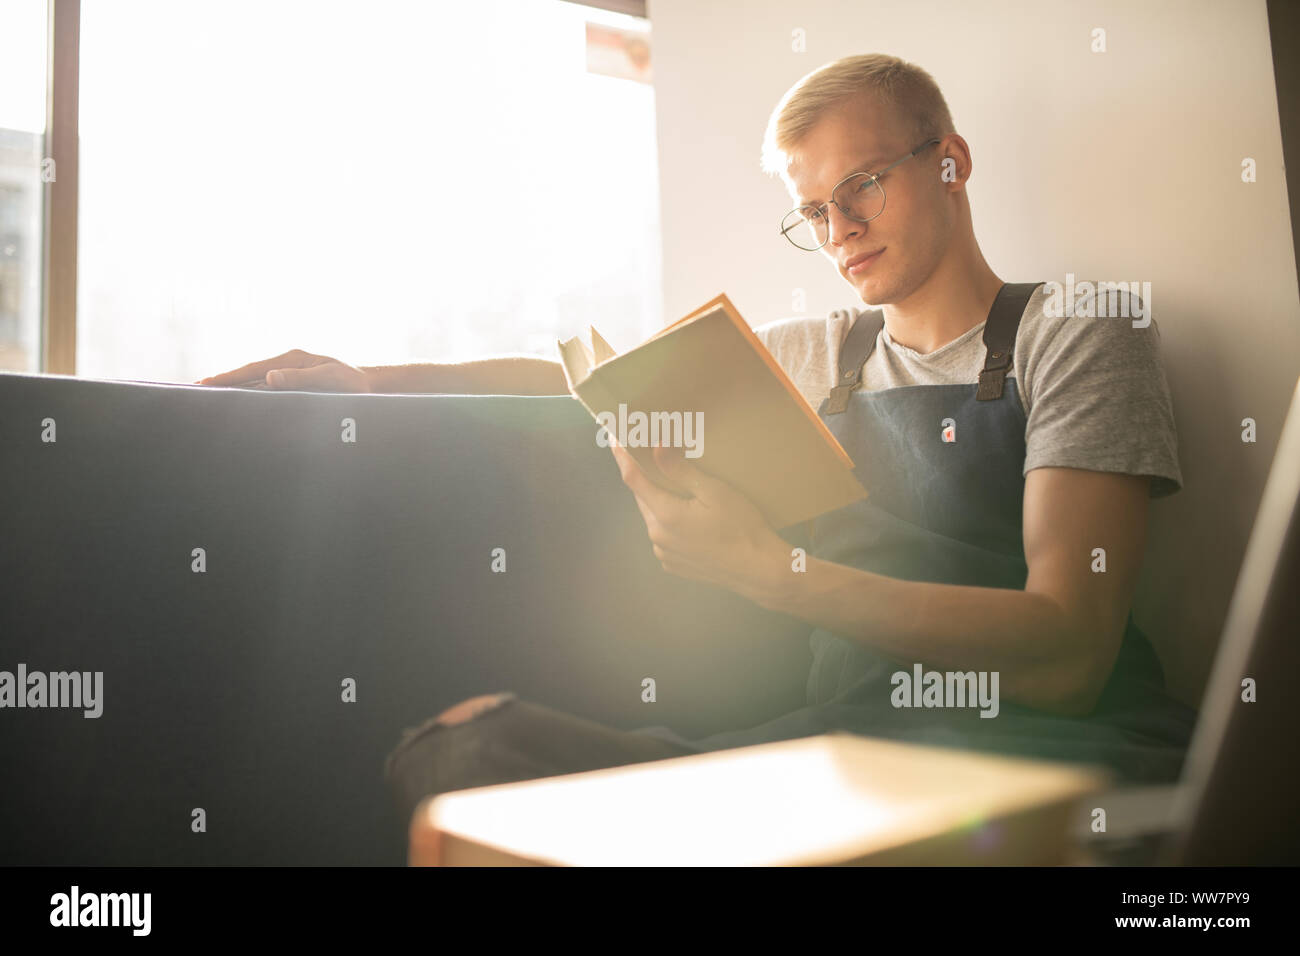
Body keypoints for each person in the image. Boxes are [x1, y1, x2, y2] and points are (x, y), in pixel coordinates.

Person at [199, 54, 1197, 838]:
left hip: (1040, 749)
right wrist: (375, 381)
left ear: (950, 161)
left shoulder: (1070, 328)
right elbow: (579, 383)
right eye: (812, 210)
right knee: (465, 756)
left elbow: (1067, 651)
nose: (838, 226)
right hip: (837, 749)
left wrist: (780, 576)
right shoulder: (814, 355)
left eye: (861, 184)